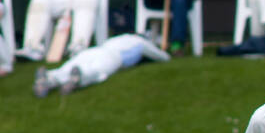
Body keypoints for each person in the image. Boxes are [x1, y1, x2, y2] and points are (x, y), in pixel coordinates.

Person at [33, 33, 169, 97]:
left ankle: (50, 77)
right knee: (98, 70)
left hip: (93, 50)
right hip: (113, 56)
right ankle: (80, 78)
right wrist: (166, 56)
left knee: (66, 67)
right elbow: (160, 56)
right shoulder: (139, 42)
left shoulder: (115, 38)